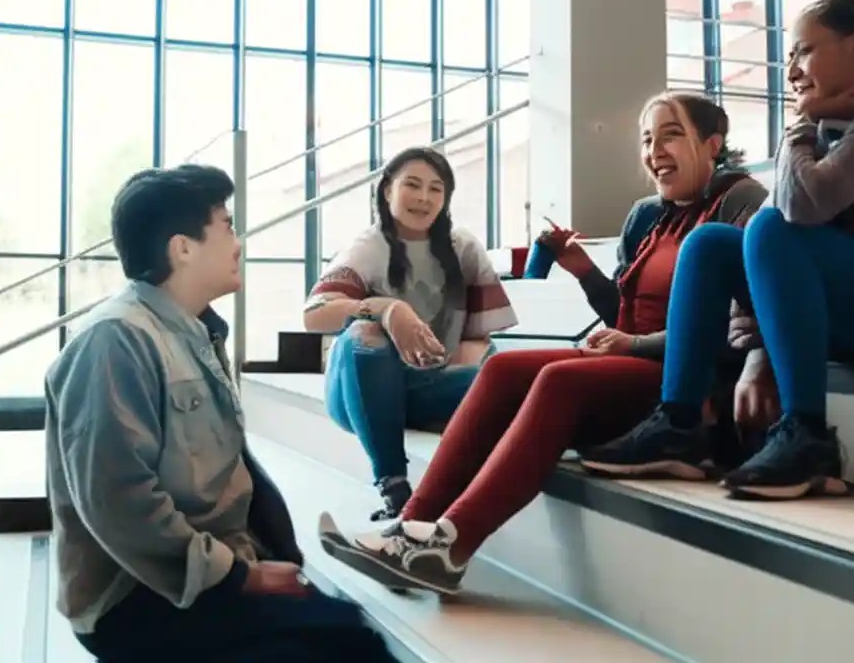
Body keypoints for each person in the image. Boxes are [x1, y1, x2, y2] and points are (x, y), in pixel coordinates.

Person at [317, 93, 769, 594]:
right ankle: (410, 525)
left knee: (557, 378)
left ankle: (453, 547)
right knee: (502, 370)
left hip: (684, 381)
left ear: (713, 143)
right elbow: (619, 312)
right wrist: (580, 270)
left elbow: (736, 326)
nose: (654, 150)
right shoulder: (647, 216)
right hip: (629, 363)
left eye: (671, 135)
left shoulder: (741, 202)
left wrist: (635, 345)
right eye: (646, 139)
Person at [581, 0, 854, 501]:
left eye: (803, 51)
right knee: (711, 242)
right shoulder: (835, 121)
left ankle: (808, 435)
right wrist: (759, 357)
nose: (792, 69)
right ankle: (680, 426)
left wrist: (797, 129)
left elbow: (802, 209)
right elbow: (763, 249)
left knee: (773, 225)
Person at [45, 164, 395, 662]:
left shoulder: (197, 332)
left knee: (351, 633)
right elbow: (119, 502)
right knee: (344, 647)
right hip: (139, 596)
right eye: (227, 226)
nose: (237, 243)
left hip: (217, 566)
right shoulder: (115, 341)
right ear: (182, 247)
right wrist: (241, 577)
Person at [303, 147, 519, 521]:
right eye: (412, 185)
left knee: (510, 379)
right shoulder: (368, 247)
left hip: (433, 386)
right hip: (361, 388)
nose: (423, 197)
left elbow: (476, 340)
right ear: (387, 191)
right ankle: (395, 487)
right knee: (363, 334)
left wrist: (452, 377)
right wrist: (387, 308)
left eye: (436, 189)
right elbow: (314, 315)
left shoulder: (463, 247)